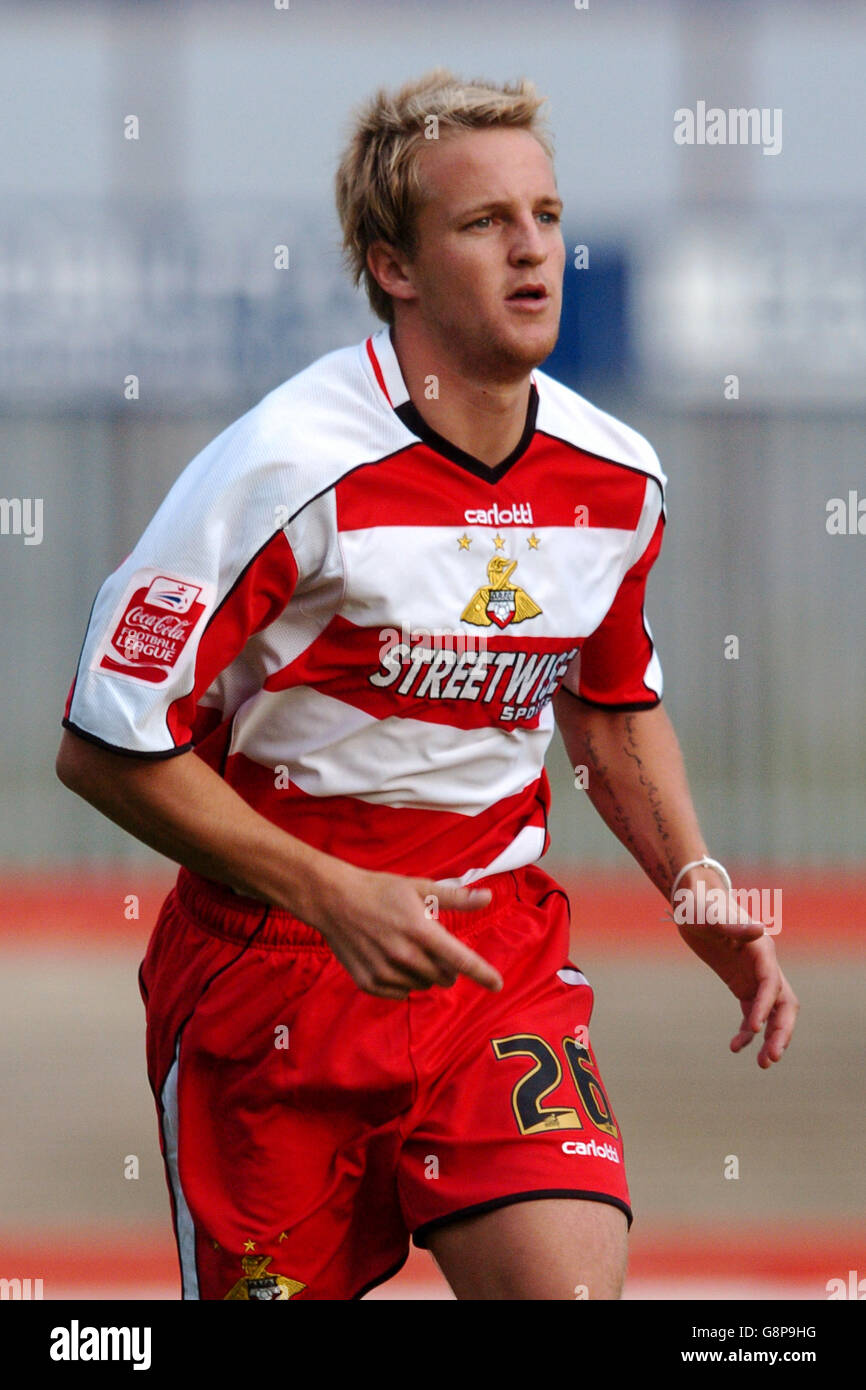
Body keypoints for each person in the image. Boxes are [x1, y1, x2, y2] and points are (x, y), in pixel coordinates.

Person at [56, 69, 798, 1301]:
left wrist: (695, 881)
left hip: (490, 961)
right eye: (483, 223)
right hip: (269, 977)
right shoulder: (283, 471)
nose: (532, 251)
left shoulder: (613, 478)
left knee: (564, 1291)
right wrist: (331, 893)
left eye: (547, 217)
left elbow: (607, 704)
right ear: (391, 265)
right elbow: (102, 742)